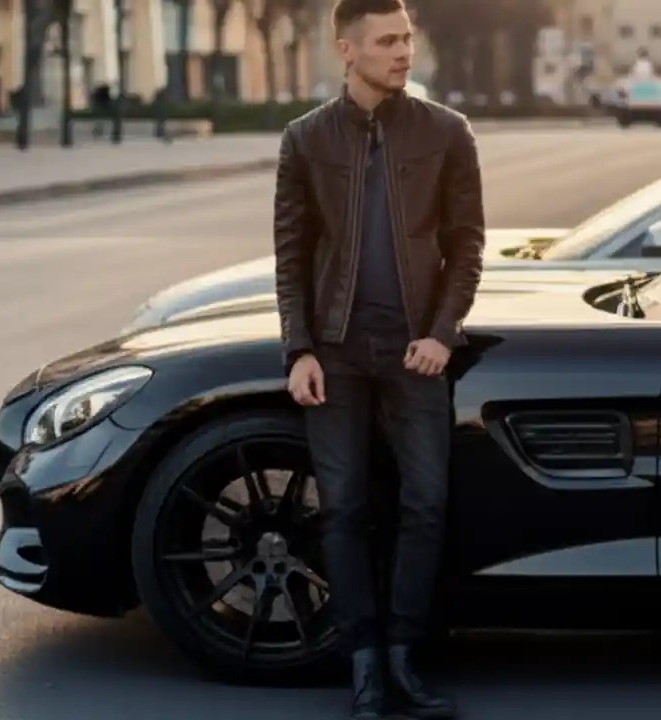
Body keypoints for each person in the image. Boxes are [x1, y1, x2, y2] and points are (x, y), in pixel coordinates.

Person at [271, 1, 484, 717]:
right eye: (387, 41)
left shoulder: (445, 132)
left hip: (415, 350)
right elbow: (292, 256)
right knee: (343, 509)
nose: (402, 52)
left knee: (425, 504)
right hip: (335, 353)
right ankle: (363, 667)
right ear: (347, 50)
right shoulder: (305, 139)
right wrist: (299, 348)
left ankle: (403, 658)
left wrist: (443, 332)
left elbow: (467, 244)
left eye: (407, 38)